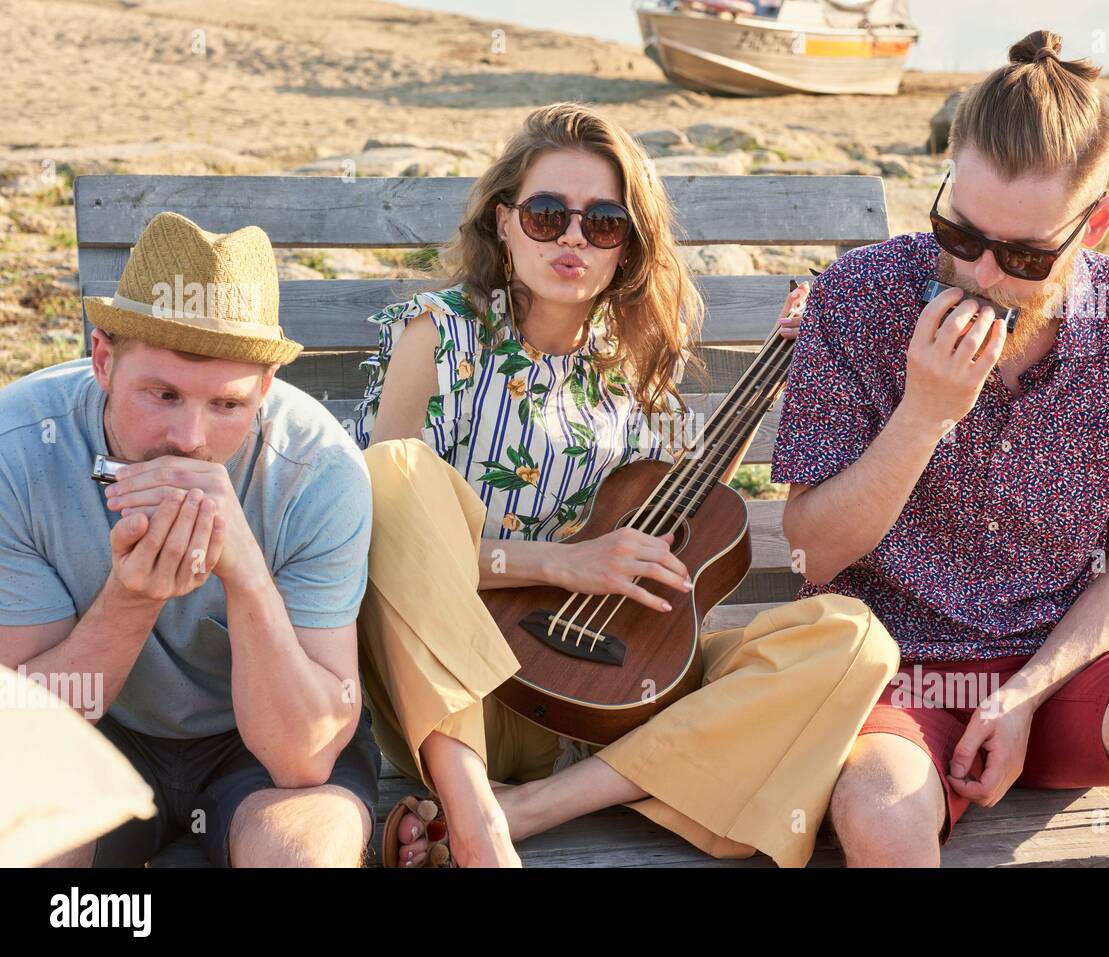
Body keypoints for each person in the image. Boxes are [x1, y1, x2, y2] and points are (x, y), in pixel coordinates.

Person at [774, 29, 1109, 867]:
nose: (982, 276)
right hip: (886, 671)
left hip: (1057, 667)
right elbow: (809, 549)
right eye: (959, 233)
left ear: (1097, 224)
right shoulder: (856, 299)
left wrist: (1023, 693)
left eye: (1026, 255)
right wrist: (924, 416)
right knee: (878, 803)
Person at [353, 101, 900, 868]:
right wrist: (560, 563)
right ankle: (476, 810)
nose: (573, 237)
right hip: (460, 704)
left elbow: (672, 515)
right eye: (548, 215)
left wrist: (779, 364)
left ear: (626, 250)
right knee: (392, 477)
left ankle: (526, 812)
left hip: (602, 702)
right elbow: (376, 539)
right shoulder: (435, 336)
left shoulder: (632, 372)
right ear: (504, 224)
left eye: (603, 223)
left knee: (852, 640)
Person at [0, 211, 379, 867]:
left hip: (256, 751)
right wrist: (132, 597)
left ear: (265, 389)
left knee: (309, 853)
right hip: (99, 735)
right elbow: (26, 734)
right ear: (103, 360)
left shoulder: (321, 472)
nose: (190, 438)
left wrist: (247, 575)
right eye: (163, 392)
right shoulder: (19, 451)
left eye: (227, 405)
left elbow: (304, 756)